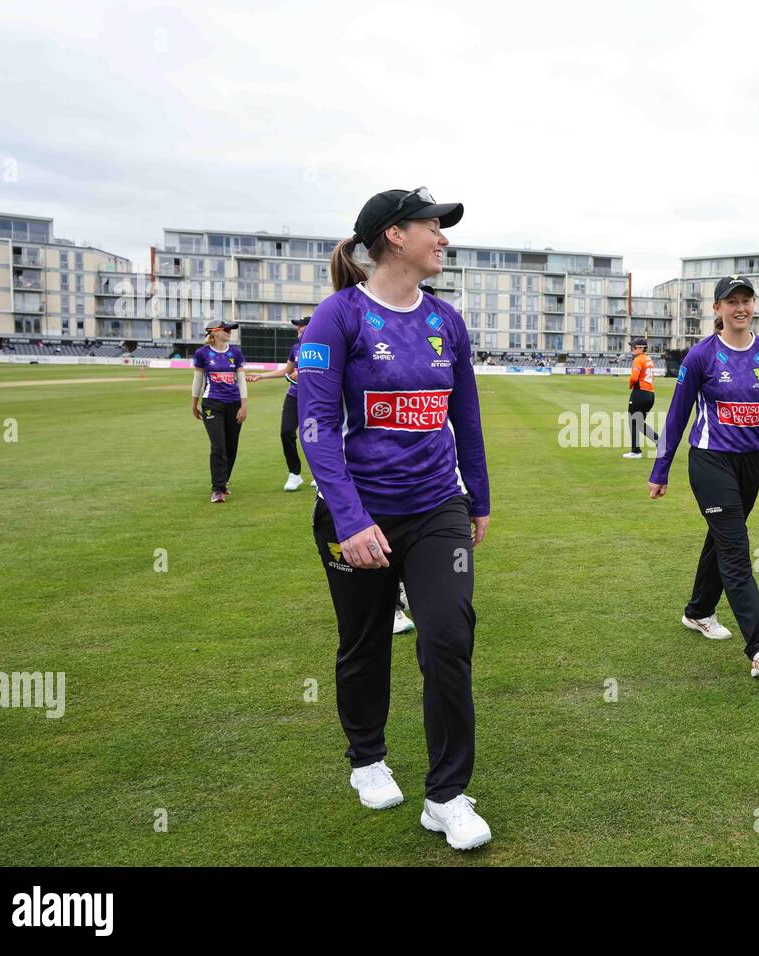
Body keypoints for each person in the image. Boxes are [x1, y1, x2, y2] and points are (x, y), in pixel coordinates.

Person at [297, 186, 492, 850]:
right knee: (365, 641)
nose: (443, 238)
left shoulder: (447, 320)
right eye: (432, 226)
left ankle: (447, 796)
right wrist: (350, 522)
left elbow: (463, 416)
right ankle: (367, 758)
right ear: (393, 236)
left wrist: (480, 500)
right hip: (358, 513)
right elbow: (317, 426)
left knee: (447, 636)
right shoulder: (337, 317)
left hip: (438, 507)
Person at [648, 275, 759, 678]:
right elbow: (676, 418)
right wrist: (661, 471)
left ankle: (697, 612)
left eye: (746, 300)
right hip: (710, 461)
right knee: (735, 547)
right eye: (732, 302)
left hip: (751, 463)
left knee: (721, 536)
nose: (740, 307)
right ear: (718, 309)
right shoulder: (701, 356)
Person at [248, 315, 311, 491]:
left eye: (302, 326)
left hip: (313, 398)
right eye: (297, 326)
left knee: (313, 438)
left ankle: (319, 476)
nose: (298, 329)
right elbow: (287, 370)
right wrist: (261, 376)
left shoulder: (322, 347)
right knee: (286, 432)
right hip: (294, 395)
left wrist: (305, 374)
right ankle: (294, 474)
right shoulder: (296, 348)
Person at [189, 318, 247, 503]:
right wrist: (194, 403)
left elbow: (241, 380)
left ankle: (225, 481)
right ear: (213, 332)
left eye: (231, 329)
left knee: (231, 447)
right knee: (218, 445)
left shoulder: (235, 353)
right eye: (226, 329)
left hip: (234, 404)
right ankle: (218, 488)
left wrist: (244, 406)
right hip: (212, 403)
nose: (229, 332)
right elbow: (198, 380)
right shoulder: (202, 353)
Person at [623, 336, 659, 459]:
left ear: (640, 348)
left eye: (633, 347)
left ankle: (636, 451)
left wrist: (630, 384)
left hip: (640, 393)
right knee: (638, 422)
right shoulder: (649, 360)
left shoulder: (638, 360)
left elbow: (634, 377)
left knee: (632, 421)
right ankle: (658, 440)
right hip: (650, 394)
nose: (632, 349)